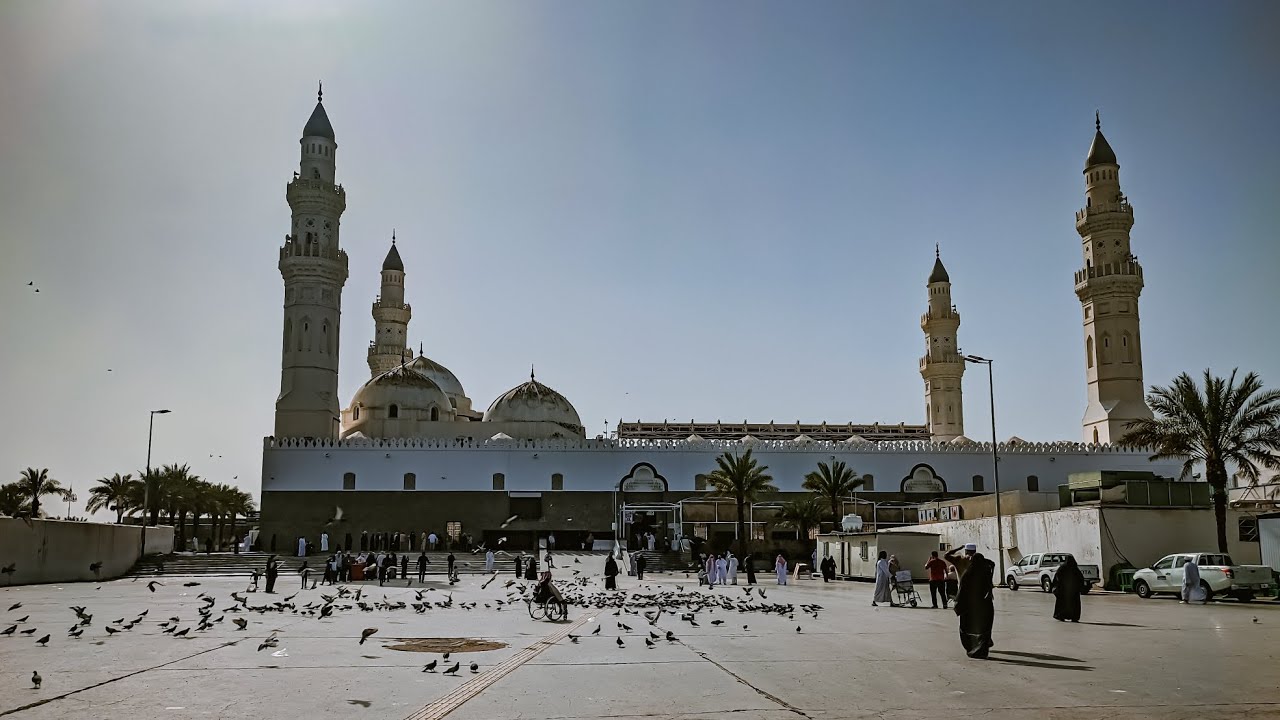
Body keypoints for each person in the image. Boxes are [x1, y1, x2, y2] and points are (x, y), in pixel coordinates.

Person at [954, 553, 995, 659]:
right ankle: (982, 650)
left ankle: (973, 649)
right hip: (985, 606)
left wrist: (958, 605)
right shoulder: (986, 573)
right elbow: (992, 564)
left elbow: (962, 590)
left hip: (970, 607)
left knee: (968, 629)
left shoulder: (969, 573)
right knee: (984, 630)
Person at [1052, 555, 1085, 621]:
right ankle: (1074, 617)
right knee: (1074, 604)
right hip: (1073, 591)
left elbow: (1057, 578)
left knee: (1063, 604)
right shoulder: (1075, 569)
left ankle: (1061, 616)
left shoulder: (1062, 568)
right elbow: (1081, 579)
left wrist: (1056, 586)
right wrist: (1080, 588)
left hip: (1064, 591)